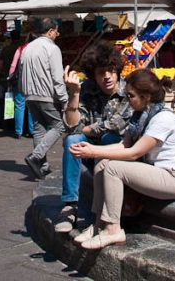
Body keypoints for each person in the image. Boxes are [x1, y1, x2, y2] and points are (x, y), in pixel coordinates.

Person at [69, 69, 175, 250]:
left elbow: (134, 153)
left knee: (113, 168)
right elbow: (123, 146)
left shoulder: (163, 118)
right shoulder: (139, 117)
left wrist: (93, 151)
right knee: (103, 162)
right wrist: (93, 151)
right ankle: (99, 224)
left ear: (146, 96)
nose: (127, 100)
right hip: (158, 172)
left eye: (131, 96)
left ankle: (113, 229)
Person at [55, 44, 130, 233]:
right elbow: (72, 126)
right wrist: (74, 93)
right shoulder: (87, 89)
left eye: (111, 71)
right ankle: (70, 205)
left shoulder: (128, 90)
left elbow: (116, 124)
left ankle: (105, 207)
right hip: (91, 151)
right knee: (72, 140)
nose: (107, 76)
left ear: (117, 70)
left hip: (116, 153)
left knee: (108, 138)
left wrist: (87, 129)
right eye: (101, 72)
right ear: (93, 75)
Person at [19, 16, 67, 180]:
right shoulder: (52, 49)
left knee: (39, 127)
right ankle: (35, 156)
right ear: (51, 31)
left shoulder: (27, 48)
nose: (57, 34)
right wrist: (64, 99)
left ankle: (42, 166)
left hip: (30, 94)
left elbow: (21, 72)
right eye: (56, 31)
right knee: (59, 125)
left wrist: (24, 91)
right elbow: (57, 77)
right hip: (46, 94)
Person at [6, 32, 35, 138]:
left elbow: (13, 65)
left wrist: (10, 77)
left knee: (19, 106)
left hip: (20, 82)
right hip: (33, 82)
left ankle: (18, 132)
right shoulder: (38, 49)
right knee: (32, 107)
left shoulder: (21, 48)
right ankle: (32, 131)